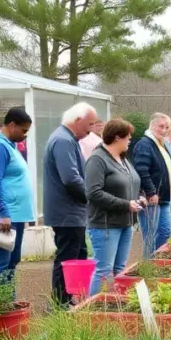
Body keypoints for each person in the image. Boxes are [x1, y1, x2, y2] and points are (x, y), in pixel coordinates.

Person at [44, 102, 97, 306]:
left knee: (77, 254)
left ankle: (68, 298)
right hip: (66, 212)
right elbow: (71, 178)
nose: (91, 129)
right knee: (67, 258)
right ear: (77, 120)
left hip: (71, 211)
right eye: (89, 124)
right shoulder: (63, 140)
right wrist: (92, 197)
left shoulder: (68, 138)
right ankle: (60, 302)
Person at [86, 118, 144, 294]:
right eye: (128, 137)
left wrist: (139, 197)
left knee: (120, 269)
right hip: (106, 225)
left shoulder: (123, 158)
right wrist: (126, 204)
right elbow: (93, 192)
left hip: (126, 223)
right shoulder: (97, 159)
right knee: (103, 270)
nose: (130, 141)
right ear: (118, 137)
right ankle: (93, 311)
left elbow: (130, 182)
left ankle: (115, 306)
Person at [0, 107, 33, 291]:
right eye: (23, 130)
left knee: (12, 260)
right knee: (1, 262)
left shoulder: (8, 145)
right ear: (11, 125)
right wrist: (3, 212)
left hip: (14, 214)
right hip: (2, 216)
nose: (25, 135)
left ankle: (7, 302)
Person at [132, 112, 171, 251]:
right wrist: (151, 192)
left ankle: (155, 260)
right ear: (151, 126)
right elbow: (141, 171)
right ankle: (148, 267)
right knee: (150, 235)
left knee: (164, 232)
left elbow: (165, 171)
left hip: (163, 199)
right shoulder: (145, 144)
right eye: (160, 126)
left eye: (167, 127)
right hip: (151, 200)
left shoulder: (162, 145)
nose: (164, 130)